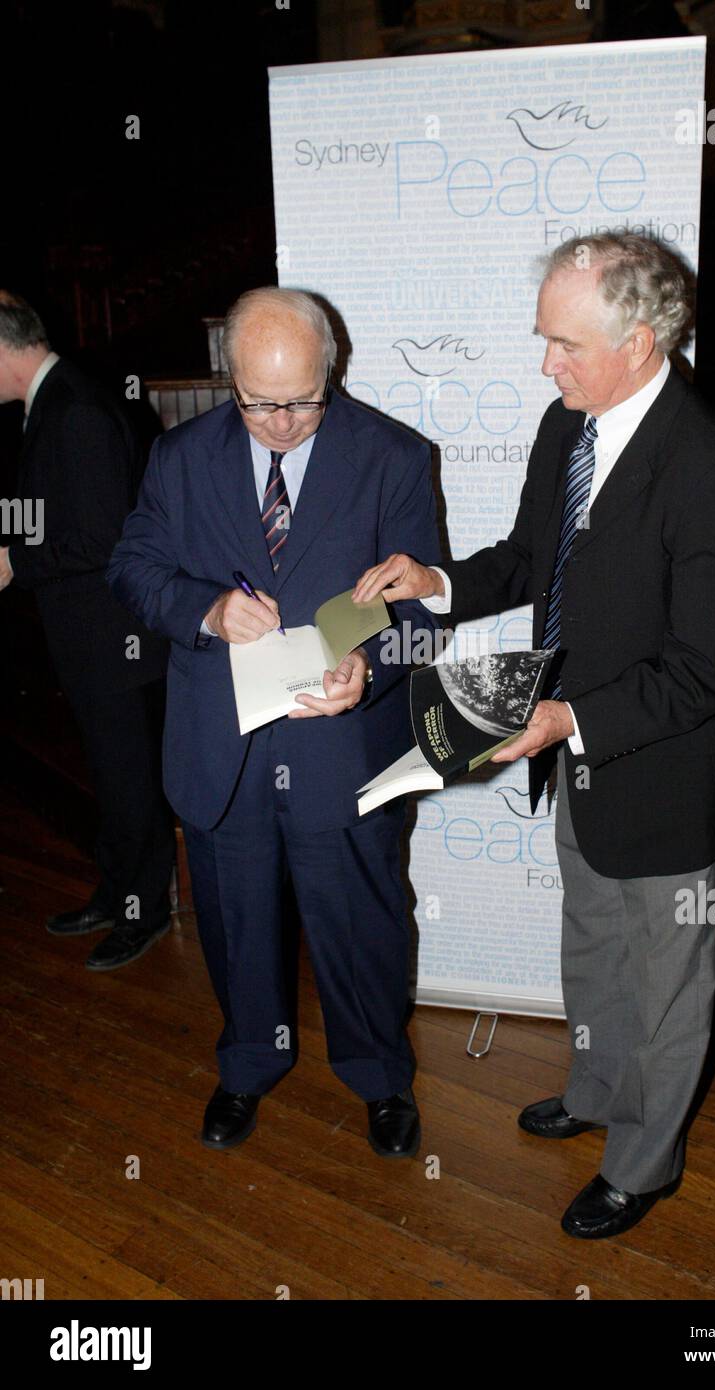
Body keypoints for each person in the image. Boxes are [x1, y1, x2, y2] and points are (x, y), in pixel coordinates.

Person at [353, 233, 715, 1237]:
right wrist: (435, 582)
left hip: (658, 782)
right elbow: (527, 558)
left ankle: (640, 1165)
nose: (545, 365)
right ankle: (594, 1091)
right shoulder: (565, 426)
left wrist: (567, 719)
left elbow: (705, 666)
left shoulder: (714, 469)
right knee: (589, 946)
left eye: (564, 344)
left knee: (664, 989)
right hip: (576, 766)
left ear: (639, 341)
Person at [107, 287, 441, 1157]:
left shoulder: (394, 457)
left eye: (302, 401)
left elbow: (421, 612)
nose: (282, 423)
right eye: (259, 403)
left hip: (343, 749)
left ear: (332, 370)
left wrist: (368, 668)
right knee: (235, 923)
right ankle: (249, 1064)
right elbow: (133, 567)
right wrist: (206, 608)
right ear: (230, 378)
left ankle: (380, 1077)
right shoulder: (179, 458)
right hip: (224, 751)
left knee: (362, 926)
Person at [0, 291, 175, 970]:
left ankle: (144, 912)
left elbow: (103, 538)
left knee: (130, 783)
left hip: (113, 640)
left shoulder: (74, 408)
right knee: (113, 778)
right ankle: (115, 893)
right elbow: (57, 511)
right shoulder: (58, 400)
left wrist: (15, 560)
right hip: (93, 638)